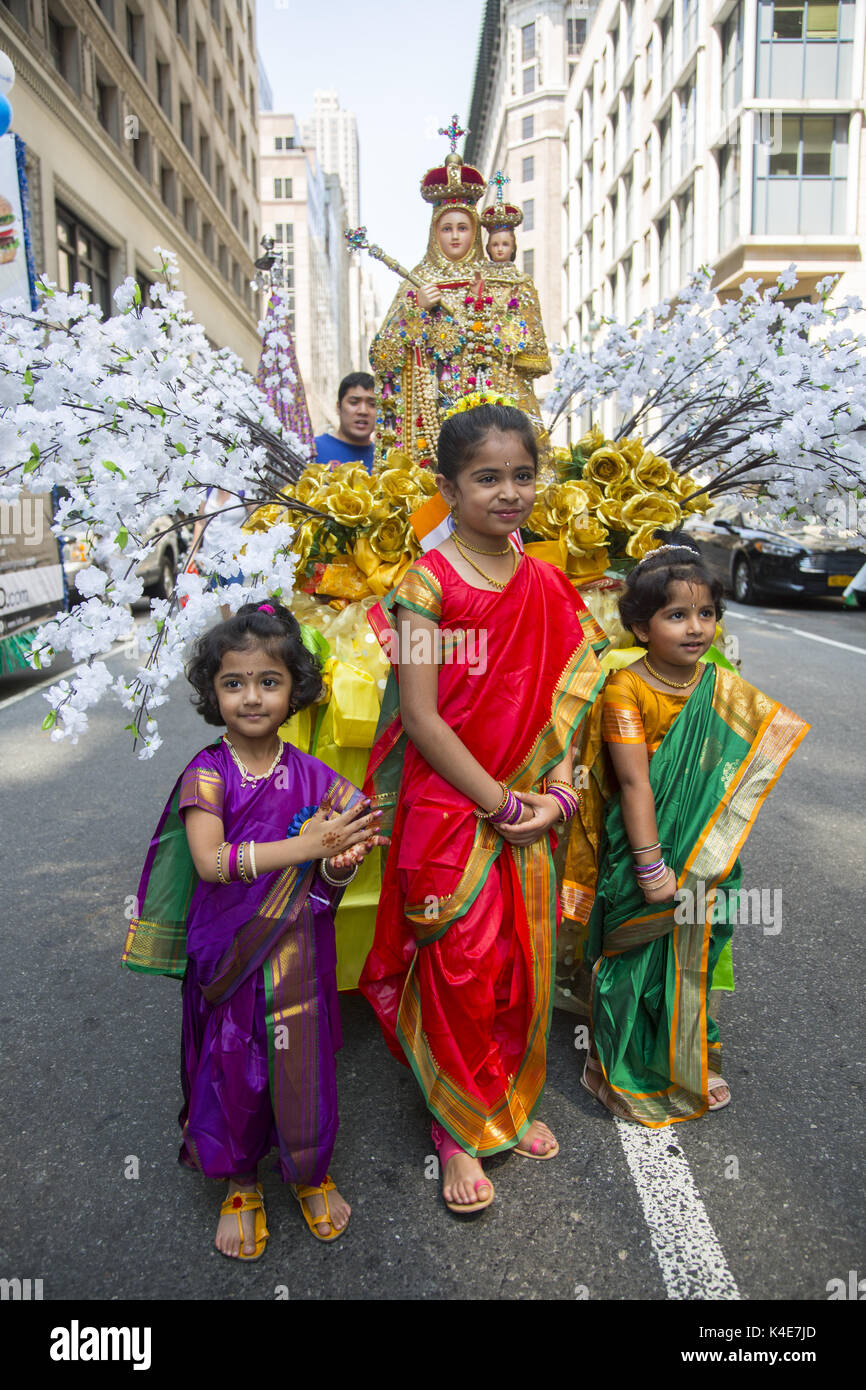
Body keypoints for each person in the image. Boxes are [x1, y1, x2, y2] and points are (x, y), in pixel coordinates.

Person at [360, 403, 604, 1213]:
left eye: (523, 476)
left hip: (528, 799)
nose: (509, 493)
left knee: (515, 967)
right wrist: (499, 803)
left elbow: (567, 702)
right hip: (452, 805)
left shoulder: (546, 582)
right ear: (448, 487)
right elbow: (423, 718)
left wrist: (558, 793)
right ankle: (455, 1128)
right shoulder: (425, 585)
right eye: (487, 478)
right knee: (459, 961)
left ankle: (498, 1095)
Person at [122, 601, 385, 1256]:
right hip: (231, 957)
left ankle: (309, 1172)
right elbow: (212, 863)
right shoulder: (207, 774)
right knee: (234, 1068)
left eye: (269, 681)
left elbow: (343, 855)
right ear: (212, 692)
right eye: (233, 682)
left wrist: (343, 860)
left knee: (305, 1067)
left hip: (299, 955)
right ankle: (241, 1181)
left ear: (296, 687)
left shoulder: (313, 775)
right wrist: (312, 846)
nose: (251, 696)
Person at [564, 544, 809, 1127]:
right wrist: (650, 865)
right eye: (677, 616)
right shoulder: (627, 687)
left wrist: (711, 843)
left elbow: (730, 770)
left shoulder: (719, 681)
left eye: (706, 613)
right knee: (634, 954)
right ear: (641, 627)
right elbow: (634, 784)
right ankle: (617, 1057)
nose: (696, 628)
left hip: (704, 846)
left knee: (699, 948)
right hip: (643, 846)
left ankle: (689, 1052)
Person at [369, 137, 550, 471]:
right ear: (433, 233)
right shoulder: (417, 280)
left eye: (463, 228)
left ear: (475, 232)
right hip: (430, 421)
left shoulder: (498, 279)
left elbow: (527, 354)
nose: (454, 236)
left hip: (490, 415)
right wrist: (416, 311)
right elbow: (382, 355)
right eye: (447, 228)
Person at [314, 372, 377, 472]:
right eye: (354, 402)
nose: (363, 411)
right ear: (338, 407)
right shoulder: (314, 450)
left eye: (372, 404)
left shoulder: (384, 459)